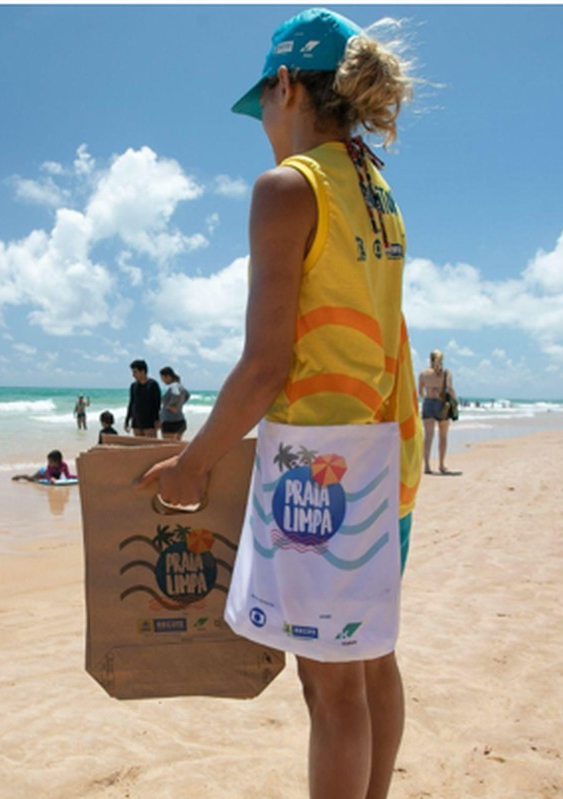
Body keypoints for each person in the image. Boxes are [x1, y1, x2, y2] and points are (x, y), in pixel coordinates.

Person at [138, 10, 420, 798]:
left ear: (287, 85)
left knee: (329, 688)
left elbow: (265, 366)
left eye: (263, 100)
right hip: (386, 450)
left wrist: (194, 463)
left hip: (322, 469)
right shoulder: (375, 187)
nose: (262, 120)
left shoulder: (287, 188)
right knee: (369, 659)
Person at [418, 350, 454, 473]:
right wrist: (455, 400)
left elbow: (420, 392)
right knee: (442, 436)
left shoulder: (423, 374)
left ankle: (427, 466)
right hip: (441, 404)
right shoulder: (446, 373)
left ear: (430, 359)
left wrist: (428, 397)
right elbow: (449, 388)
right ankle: (441, 465)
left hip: (428, 403)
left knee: (428, 436)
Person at [125, 359, 161, 438]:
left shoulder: (153, 385)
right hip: (136, 421)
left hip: (150, 422)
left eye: (135, 372)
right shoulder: (133, 386)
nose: (133, 375)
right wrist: (127, 420)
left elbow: (157, 403)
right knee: (138, 446)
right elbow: (131, 403)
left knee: (151, 447)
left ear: (143, 371)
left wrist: (157, 419)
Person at [158, 366, 192, 440]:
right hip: (180, 421)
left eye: (162, 378)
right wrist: (180, 405)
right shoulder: (180, 386)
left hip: (170, 422)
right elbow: (188, 395)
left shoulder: (173, 386)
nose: (162, 381)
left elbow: (176, 394)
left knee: (168, 448)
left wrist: (170, 406)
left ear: (168, 376)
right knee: (176, 448)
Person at [11, 449, 76, 483]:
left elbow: (68, 475)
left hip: (51, 475)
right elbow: (48, 475)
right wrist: (51, 479)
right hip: (43, 471)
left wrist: (77, 477)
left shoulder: (64, 465)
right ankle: (20, 476)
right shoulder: (49, 466)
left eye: (50, 461)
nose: (49, 463)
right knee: (31, 479)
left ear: (57, 461)